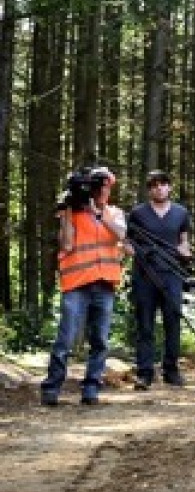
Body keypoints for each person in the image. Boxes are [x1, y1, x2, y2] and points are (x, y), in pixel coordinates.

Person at [40, 166, 125, 406]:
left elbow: (121, 236)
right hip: (76, 284)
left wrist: (100, 215)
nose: (101, 190)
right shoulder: (73, 212)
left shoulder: (115, 213)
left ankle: (91, 388)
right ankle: (52, 387)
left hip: (104, 283)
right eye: (98, 185)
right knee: (65, 338)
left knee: (100, 340)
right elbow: (66, 245)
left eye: (105, 185)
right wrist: (67, 213)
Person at [127, 169, 194, 390]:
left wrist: (185, 252)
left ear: (169, 187)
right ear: (149, 189)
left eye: (163, 184)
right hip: (144, 275)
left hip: (172, 274)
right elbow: (127, 242)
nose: (159, 188)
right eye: (154, 185)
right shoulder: (137, 213)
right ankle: (145, 373)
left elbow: (184, 240)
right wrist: (133, 252)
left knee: (173, 322)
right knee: (145, 323)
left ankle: (171, 370)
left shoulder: (181, 213)